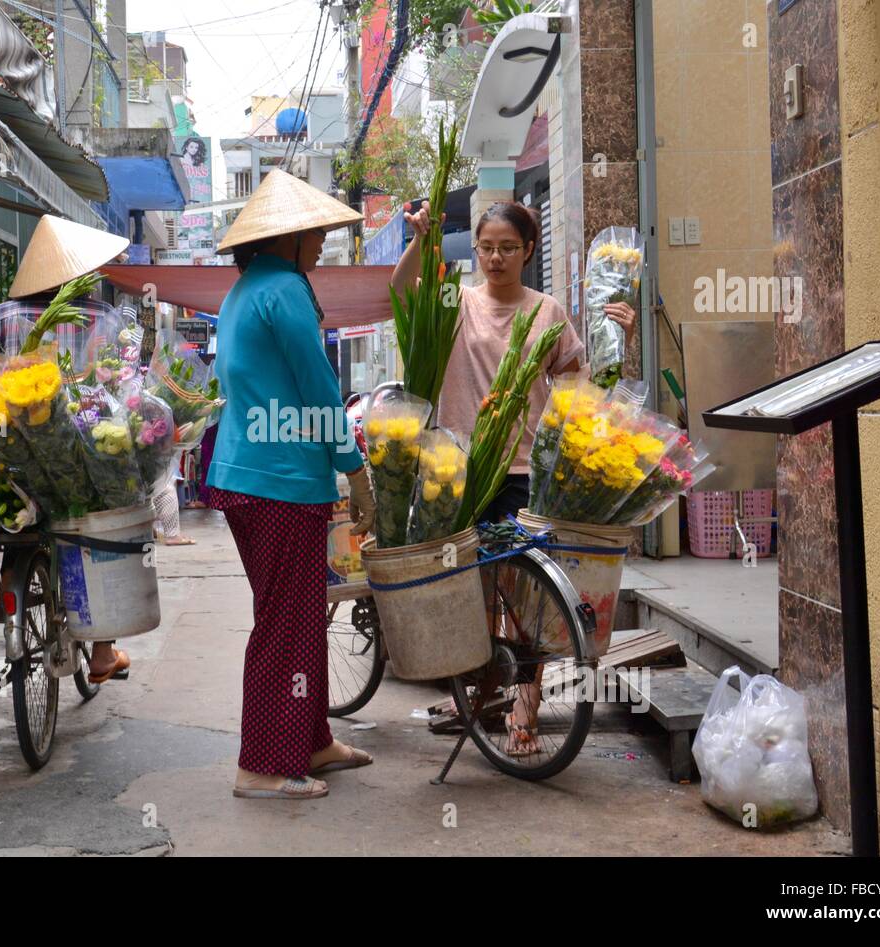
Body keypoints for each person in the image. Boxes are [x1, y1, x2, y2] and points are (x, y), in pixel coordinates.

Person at [391, 200, 636, 755]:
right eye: (486, 247)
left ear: (529, 251)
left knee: (526, 597)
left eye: (507, 247)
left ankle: (522, 713)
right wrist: (421, 241)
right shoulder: (457, 302)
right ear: (473, 249)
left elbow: (577, 390)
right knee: (472, 589)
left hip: (523, 469)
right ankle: (475, 693)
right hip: (458, 466)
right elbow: (404, 291)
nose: (495, 258)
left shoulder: (547, 311)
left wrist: (616, 342)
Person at [208, 169, 377, 800]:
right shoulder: (285, 289)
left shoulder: (247, 288)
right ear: (295, 237)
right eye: (321, 233)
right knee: (286, 621)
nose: (326, 242)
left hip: (251, 475)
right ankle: (262, 764)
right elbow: (316, 386)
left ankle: (310, 740)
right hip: (278, 481)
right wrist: (354, 470)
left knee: (300, 616)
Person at [0, 214, 136, 685]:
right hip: (83, 461)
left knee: (10, 506)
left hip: (15, 454)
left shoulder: (3, 317)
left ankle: (0, 590)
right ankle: (102, 648)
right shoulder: (105, 319)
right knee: (104, 518)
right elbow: (126, 392)